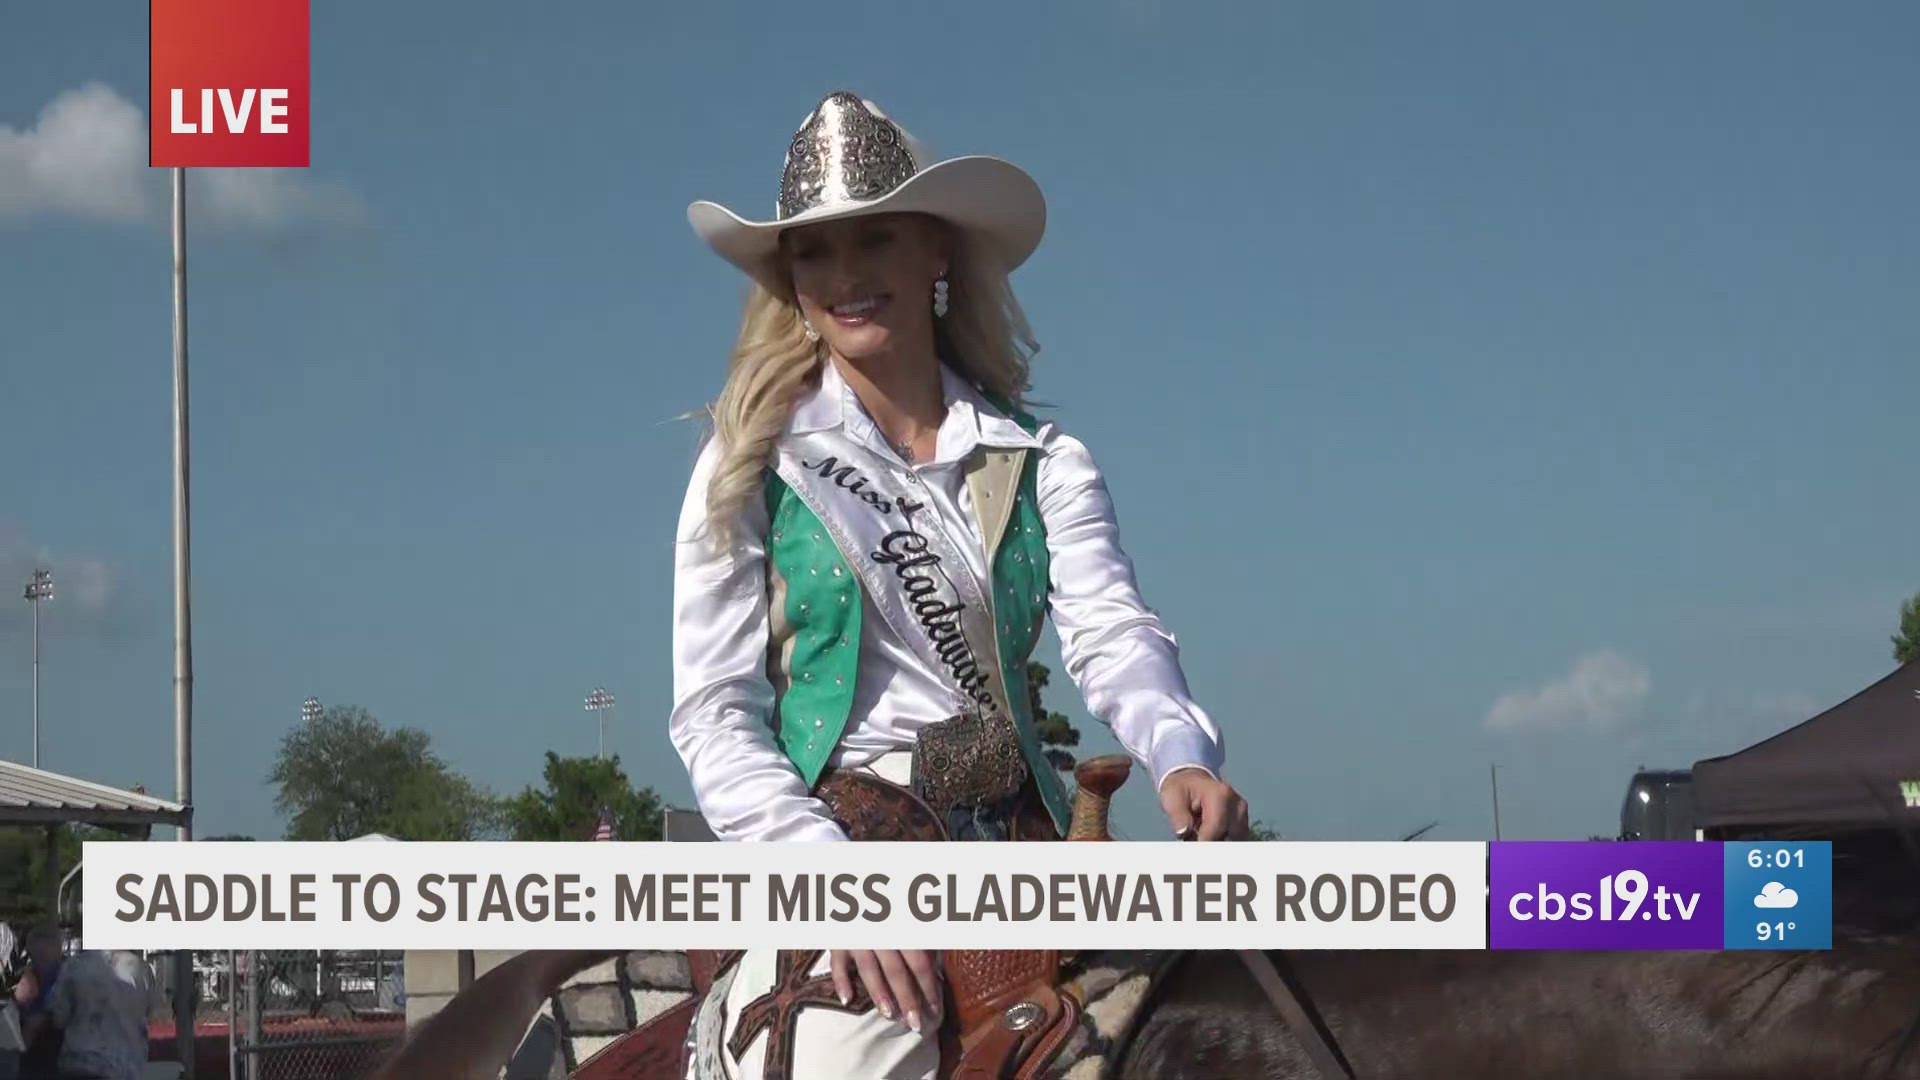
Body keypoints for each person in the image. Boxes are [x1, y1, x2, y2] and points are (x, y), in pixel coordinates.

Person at [670, 91, 1250, 1080]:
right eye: (813, 252)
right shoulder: (755, 460)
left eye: (875, 240)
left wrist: (1177, 752)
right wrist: (827, 881)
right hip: (840, 831)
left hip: (1023, 829)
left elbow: (1112, 635)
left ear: (935, 253)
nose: (845, 275)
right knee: (859, 1054)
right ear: (791, 283)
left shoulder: (1043, 461)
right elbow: (714, 712)